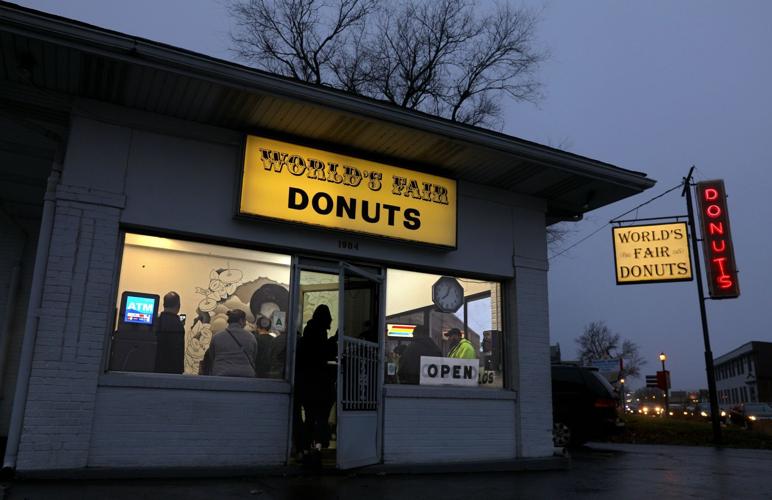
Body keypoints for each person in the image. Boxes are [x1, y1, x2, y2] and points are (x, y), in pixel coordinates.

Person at [294, 305, 337, 457]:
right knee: (320, 417)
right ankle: (317, 446)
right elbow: (322, 354)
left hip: (307, 382)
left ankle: (305, 448)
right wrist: (334, 340)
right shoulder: (320, 332)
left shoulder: (309, 331)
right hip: (319, 382)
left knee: (311, 417)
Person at [203, 309, 257, 377]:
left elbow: (212, 356)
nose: (245, 323)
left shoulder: (217, 337)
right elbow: (253, 356)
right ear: (241, 321)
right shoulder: (251, 337)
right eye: (245, 320)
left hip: (221, 374)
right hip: (245, 375)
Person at [154, 291, 185, 374]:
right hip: (172, 372)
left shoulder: (156, 322)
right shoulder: (178, 325)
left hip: (155, 369)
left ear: (164, 305)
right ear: (178, 306)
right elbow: (178, 354)